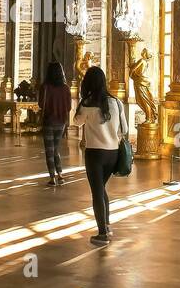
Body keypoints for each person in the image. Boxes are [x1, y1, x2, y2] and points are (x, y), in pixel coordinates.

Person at [74, 66, 126, 246]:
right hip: (113, 154)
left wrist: (81, 103)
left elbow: (76, 122)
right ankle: (107, 224)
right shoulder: (116, 102)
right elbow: (125, 129)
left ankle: (102, 233)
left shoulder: (87, 103)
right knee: (101, 189)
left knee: (97, 192)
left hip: (95, 154)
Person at [38, 61, 72, 186]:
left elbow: (41, 104)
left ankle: (52, 177)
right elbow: (69, 107)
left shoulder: (45, 87)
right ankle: (61, 175)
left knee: (49, 150)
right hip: (61, 122)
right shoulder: (66, 88)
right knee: (56, 148)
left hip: (48, 121)